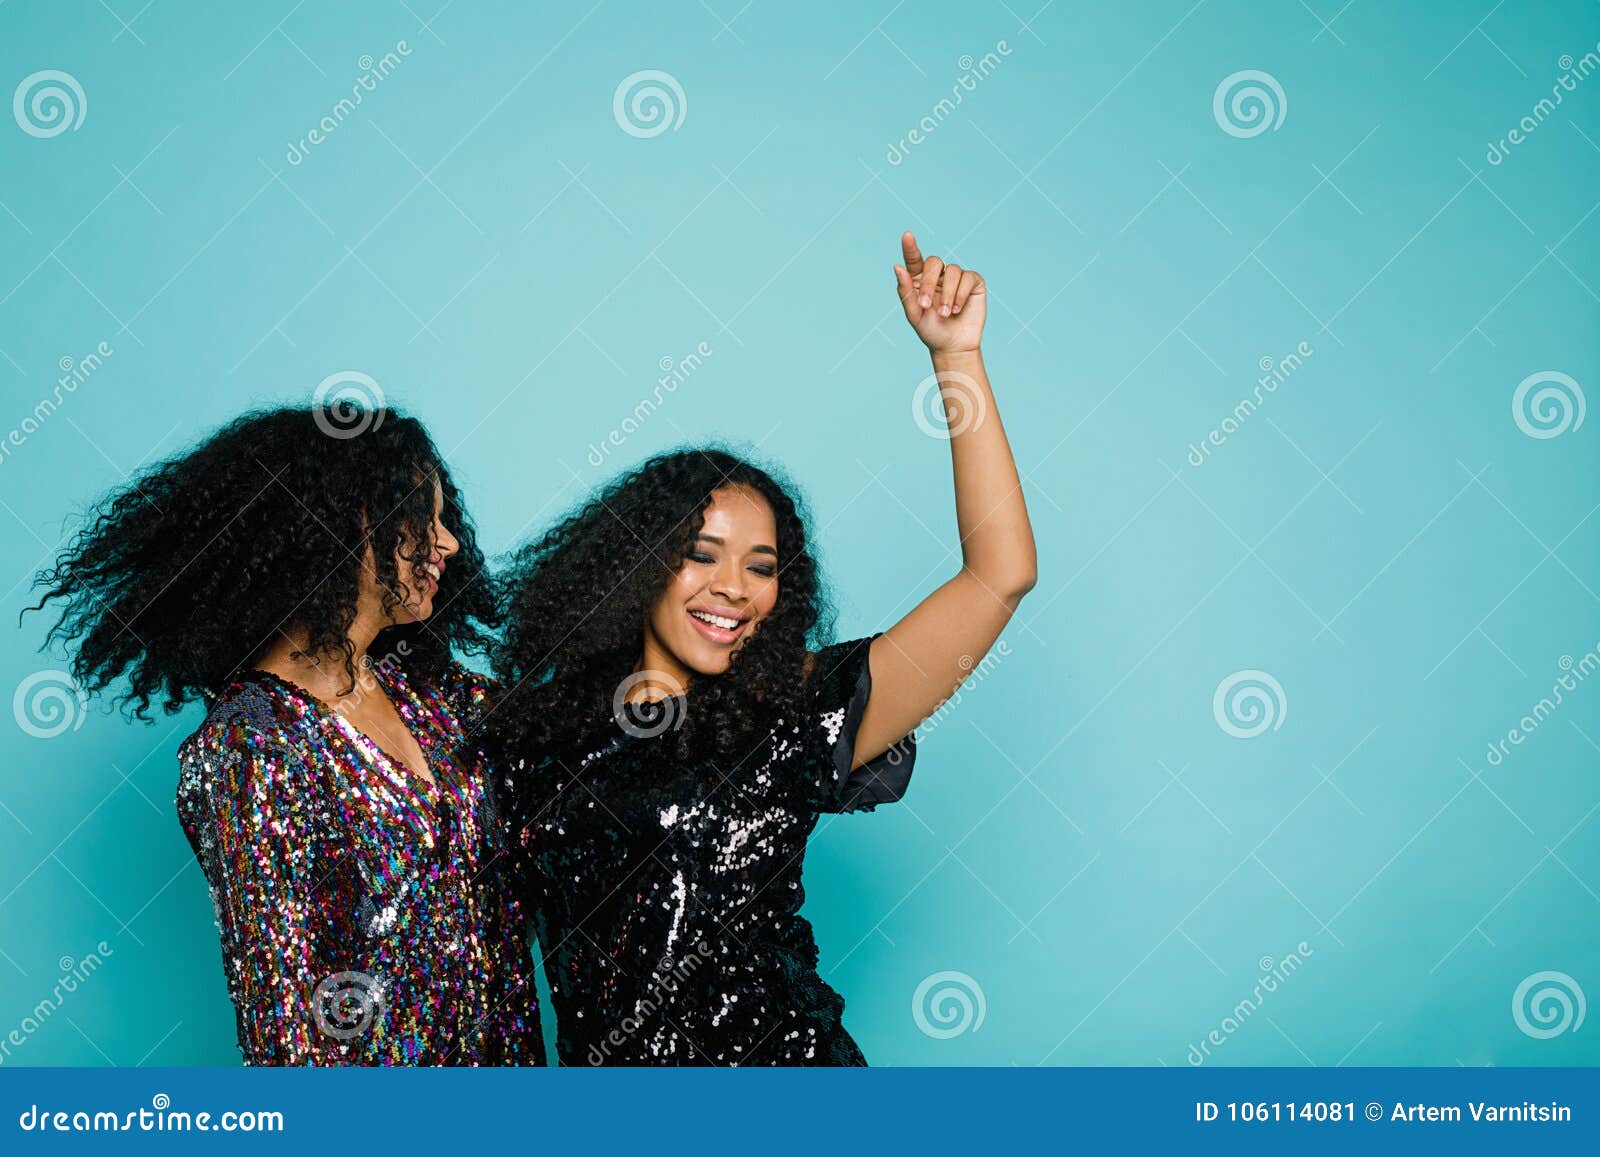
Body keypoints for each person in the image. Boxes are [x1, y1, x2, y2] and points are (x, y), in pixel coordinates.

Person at [491, 232, 1036, 1064]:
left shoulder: (794, 716)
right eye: (701, 555)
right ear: (640, 564)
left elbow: (1000, 574)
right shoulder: (539, 734)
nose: (735, 589)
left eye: (762, 566)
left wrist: (957, 358)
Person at [31, 405, 542, 1065]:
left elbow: (573, 737)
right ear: (352, 518)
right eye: (425, 516)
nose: (447, 543)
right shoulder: (252, 745)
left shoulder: (440, 694)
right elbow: (291, 1024)